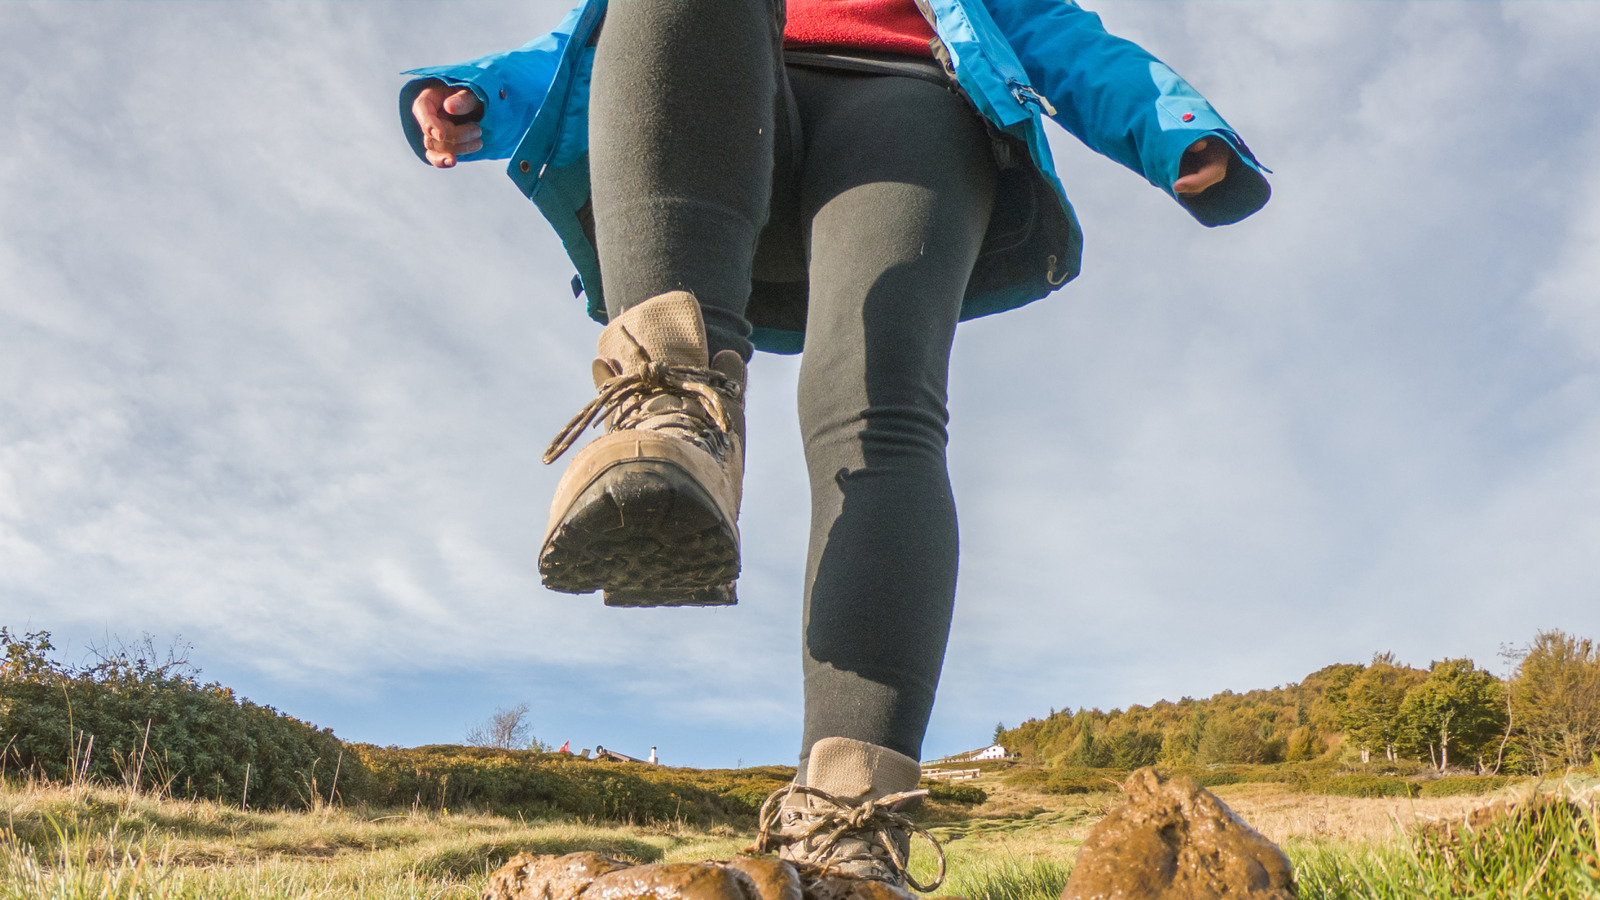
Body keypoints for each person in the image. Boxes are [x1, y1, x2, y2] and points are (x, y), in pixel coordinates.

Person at [399, 0, 1268, 889]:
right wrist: (481, 95)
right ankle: (671, 404)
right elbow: (600, 40)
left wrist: (1173, 131)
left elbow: (1054, 34)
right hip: (719, 120)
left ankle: (854, 825)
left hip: (909, 111)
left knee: (877, 411)